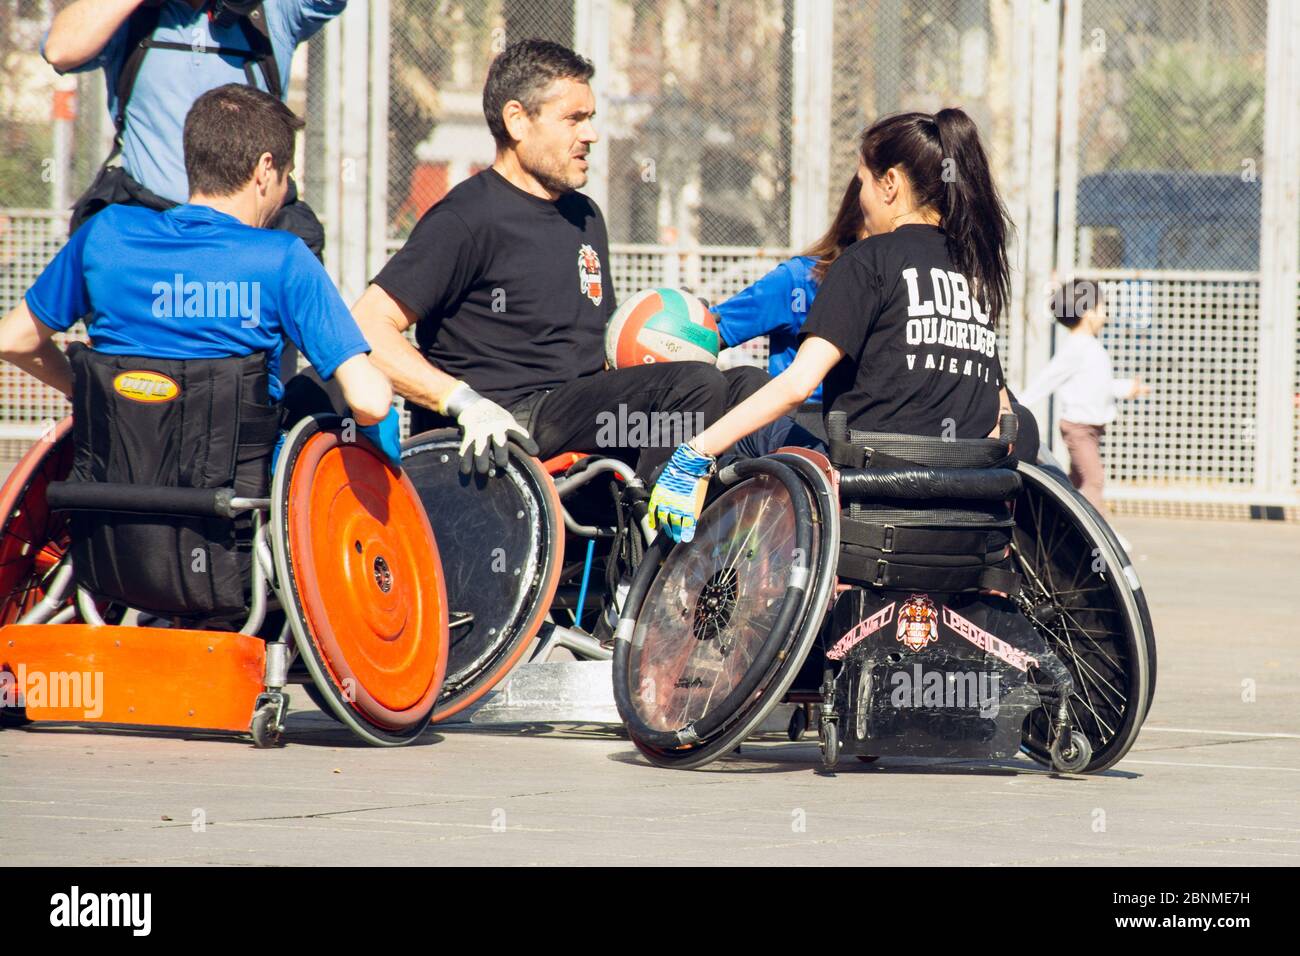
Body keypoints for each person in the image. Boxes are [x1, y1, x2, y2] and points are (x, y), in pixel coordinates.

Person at [353, 38, 767, 479]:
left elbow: (604, 354)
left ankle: (746, 532)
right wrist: (463, 402)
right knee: (692, 386)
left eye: (590, 118)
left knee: (747, 386)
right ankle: (660, 538)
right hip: (513, 420)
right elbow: (366, 326)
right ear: (517, 121)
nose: (590, 134)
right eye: (573, 119)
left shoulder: (584, 215)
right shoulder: (467, 218)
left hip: (588, 413)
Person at [649, 108, 1015, 543]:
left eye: (862, 182)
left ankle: (703, 568)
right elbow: (1002, 414)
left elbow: (797, 386)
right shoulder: (976, 275)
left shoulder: (867, 261)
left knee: (745, 430)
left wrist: (694, 452)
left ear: (891, 184)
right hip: (964, 508)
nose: (858, 198)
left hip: (868, 492)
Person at [0, 83, 393, 449]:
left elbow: (13, 340)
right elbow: (370, 401)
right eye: (286, 179)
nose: (284, 194)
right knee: (336, 389)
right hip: (234, 499)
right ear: (265, 168)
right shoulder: (283, 257)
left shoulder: (105, 234)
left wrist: (93, 392)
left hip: (114, 489)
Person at [44, 0, 345, 253]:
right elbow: (60, 50)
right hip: (152, 232)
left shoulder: (270, 13)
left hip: (248, 239)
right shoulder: (134, 19)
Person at [712, 173, 868, 412]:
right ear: (859, 214)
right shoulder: (799, 279)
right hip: (806, 418)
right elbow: (715, 329)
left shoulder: (906, 283)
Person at [1018, 280, 1148, 511]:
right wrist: (1018, 405)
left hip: (1090, 428)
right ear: (1088, 314)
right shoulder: (1077, 347)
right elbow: (1048, 379)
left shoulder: (1089, 346)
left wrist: (1128, 388)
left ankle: (1064, 531)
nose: (1105, 315)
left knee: (1077, 482)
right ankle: (1098, 541)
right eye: (1102, 308)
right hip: (1078, 429)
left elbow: (1100, 385)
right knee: (1094, 479)